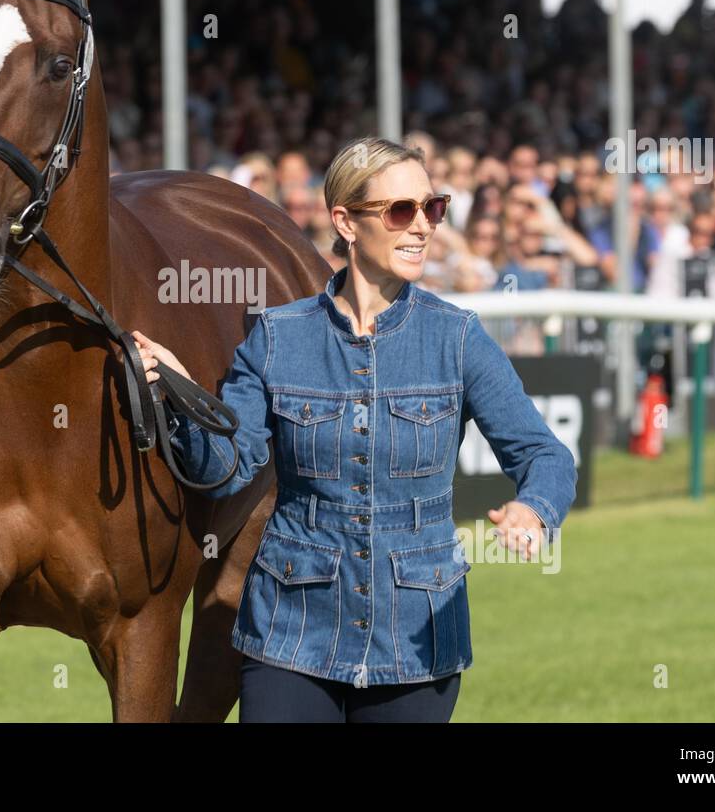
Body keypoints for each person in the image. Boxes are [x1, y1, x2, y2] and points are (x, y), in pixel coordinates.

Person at [131, 136, 577, 723]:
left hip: (417, 639)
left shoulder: (459, 339)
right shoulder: (275, 337)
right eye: (401, 210)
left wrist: (535, 509)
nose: (422, 226)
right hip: (289, 633)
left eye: (433, 208)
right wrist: (186, 396)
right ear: (345, 221)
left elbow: (544, 455)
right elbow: (225, 473)